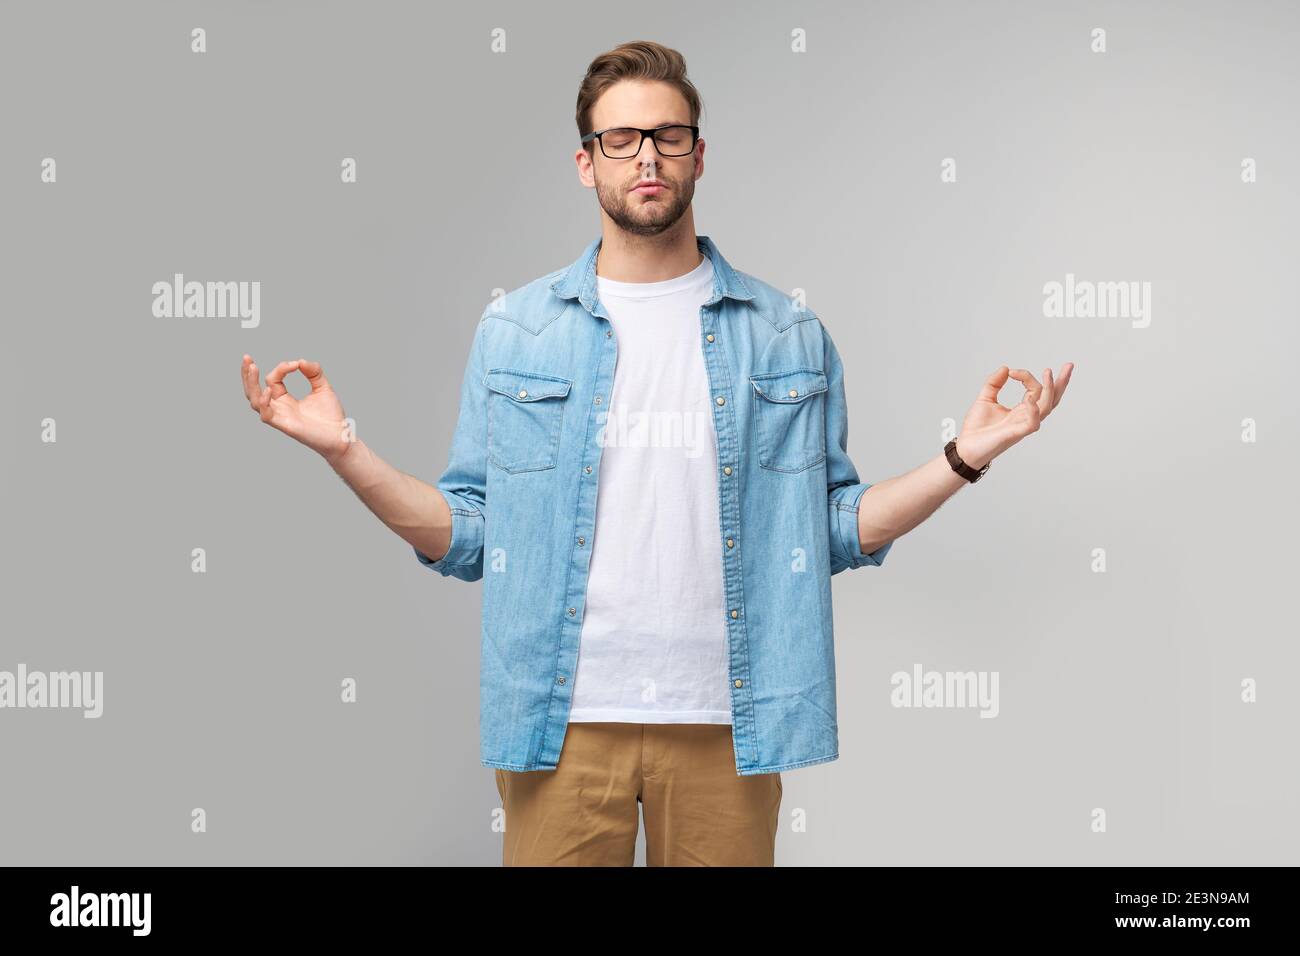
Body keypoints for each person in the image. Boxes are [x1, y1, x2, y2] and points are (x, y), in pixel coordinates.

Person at [239, 40, 1074, 867]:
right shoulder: (516, 333)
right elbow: (466, 535)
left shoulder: (788, 336)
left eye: (668, 136)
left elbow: (836, 529)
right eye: (622, 138)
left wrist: (963, 457)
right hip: (560, 722)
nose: (647, 155)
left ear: (698, 155)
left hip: (727, 723)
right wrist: (344, 452)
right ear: (585, 162)